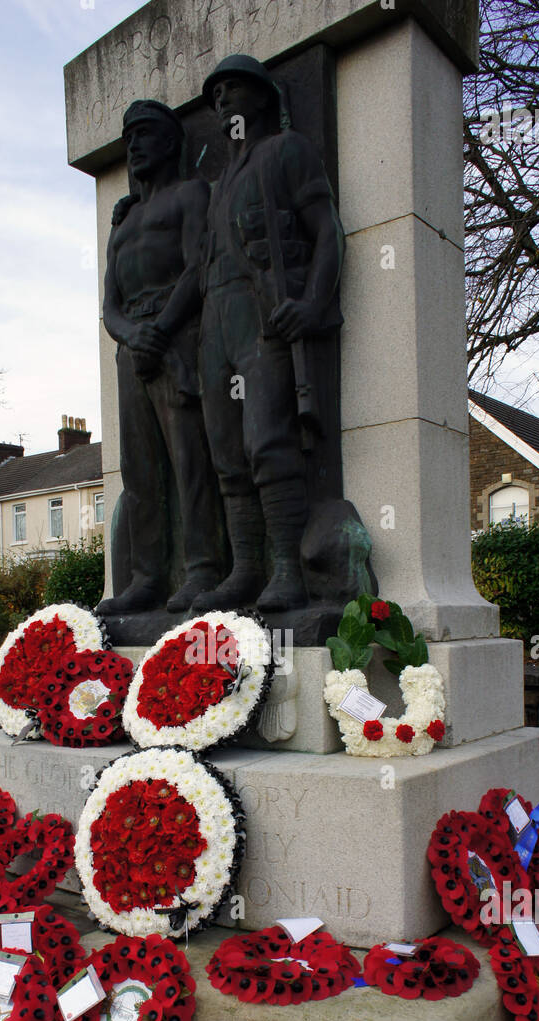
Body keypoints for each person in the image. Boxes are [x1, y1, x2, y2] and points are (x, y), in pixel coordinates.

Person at [193, 55, 345, 613]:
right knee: (227, 453)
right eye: (216, 95)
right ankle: (247, 568)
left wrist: (311, 303)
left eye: (233, 89)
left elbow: (327, 230)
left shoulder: (288, 150)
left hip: (265, 314)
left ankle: (287, 568)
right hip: (216, 321)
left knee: (267, 442)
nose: (222, 100)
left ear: (261, 96)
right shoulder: (217, 182)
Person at [98, 100, 224, 616]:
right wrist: (133, 335)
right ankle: (147, 577)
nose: (133, 147)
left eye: (144, 135)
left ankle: (203, 569)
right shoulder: (123, 222)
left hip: (178, 335)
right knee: (139, 468)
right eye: (128, 138)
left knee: (191, 460)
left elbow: (198, 268)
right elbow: (109, 303)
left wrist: (161, 331)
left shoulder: (192, 194)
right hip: (133, 349)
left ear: (171, 141)